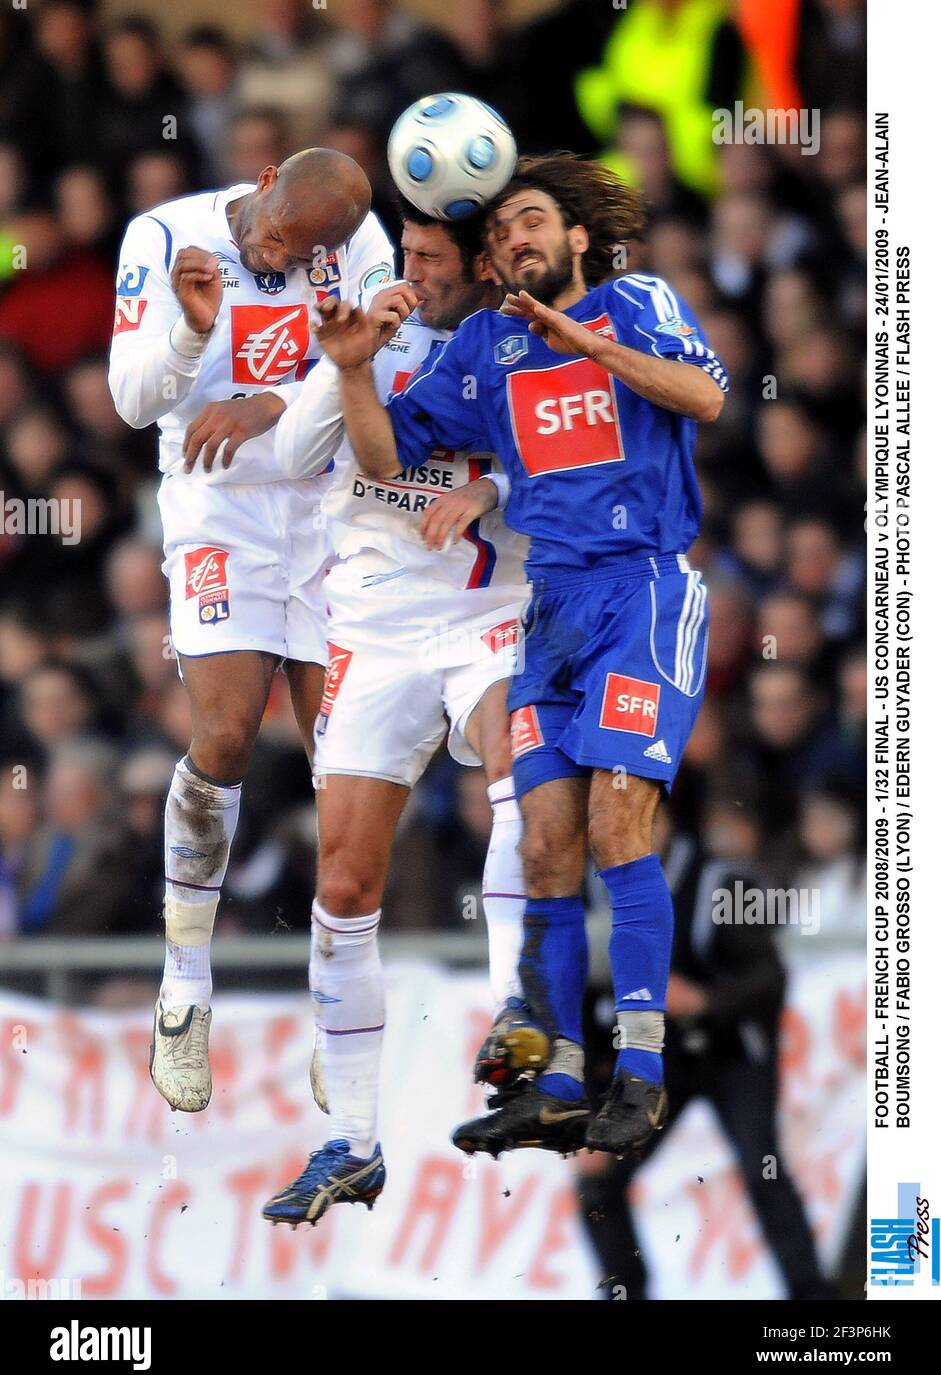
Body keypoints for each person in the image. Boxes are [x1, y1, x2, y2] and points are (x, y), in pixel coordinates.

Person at [315, 153, 727, 1160]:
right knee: (545, 843)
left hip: (642, 590)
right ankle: (553, 1080)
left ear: (577, 236)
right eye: (500, 233)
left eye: (533, 221)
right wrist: (354, 367)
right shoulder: (481, 345)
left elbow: (703, 398)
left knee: (616, 825)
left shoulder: (634, 302)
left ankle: (639, 1067)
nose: (516, 241)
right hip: (548, 612)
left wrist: (580, 342)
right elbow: (383, 459)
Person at [193, 201, 535, 1226]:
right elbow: (294, 461)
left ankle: (520, 1013)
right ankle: (349, 1140)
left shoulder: (522, 344)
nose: (415, 274)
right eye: (408, 257)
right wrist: (342, 367)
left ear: (475, 265)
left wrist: (496, 489)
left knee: (519, 778)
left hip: (492, 613)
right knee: (341, 880)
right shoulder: (360, 345)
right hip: (376, 629)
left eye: (433, 259)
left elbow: (580, 470)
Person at [107, 147, 395, 1114]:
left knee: (342, 762)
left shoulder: (358, 247)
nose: (284, 257)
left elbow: (377, 364)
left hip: (326, 508)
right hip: (218, 509)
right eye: (277, 235)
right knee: (225, 737)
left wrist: (276, 396)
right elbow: (130, 399)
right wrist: (191, 341)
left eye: (307, 249)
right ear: (263, 177)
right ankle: (185, 989)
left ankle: (336, 1004)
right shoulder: (164, 234)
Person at [577, 800, 834, 1301]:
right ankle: (626, 1292)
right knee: (598, 1176)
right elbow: (582, 1001)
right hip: (657, 1059)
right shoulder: (592, 890)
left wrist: (704, 1000)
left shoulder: (723, 883)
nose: (628, 835)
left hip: (732, 1050)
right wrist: (590, 1105)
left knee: (763, 1168)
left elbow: (771, 978)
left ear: (666, 818)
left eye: (642, 819)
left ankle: (815, 1301)